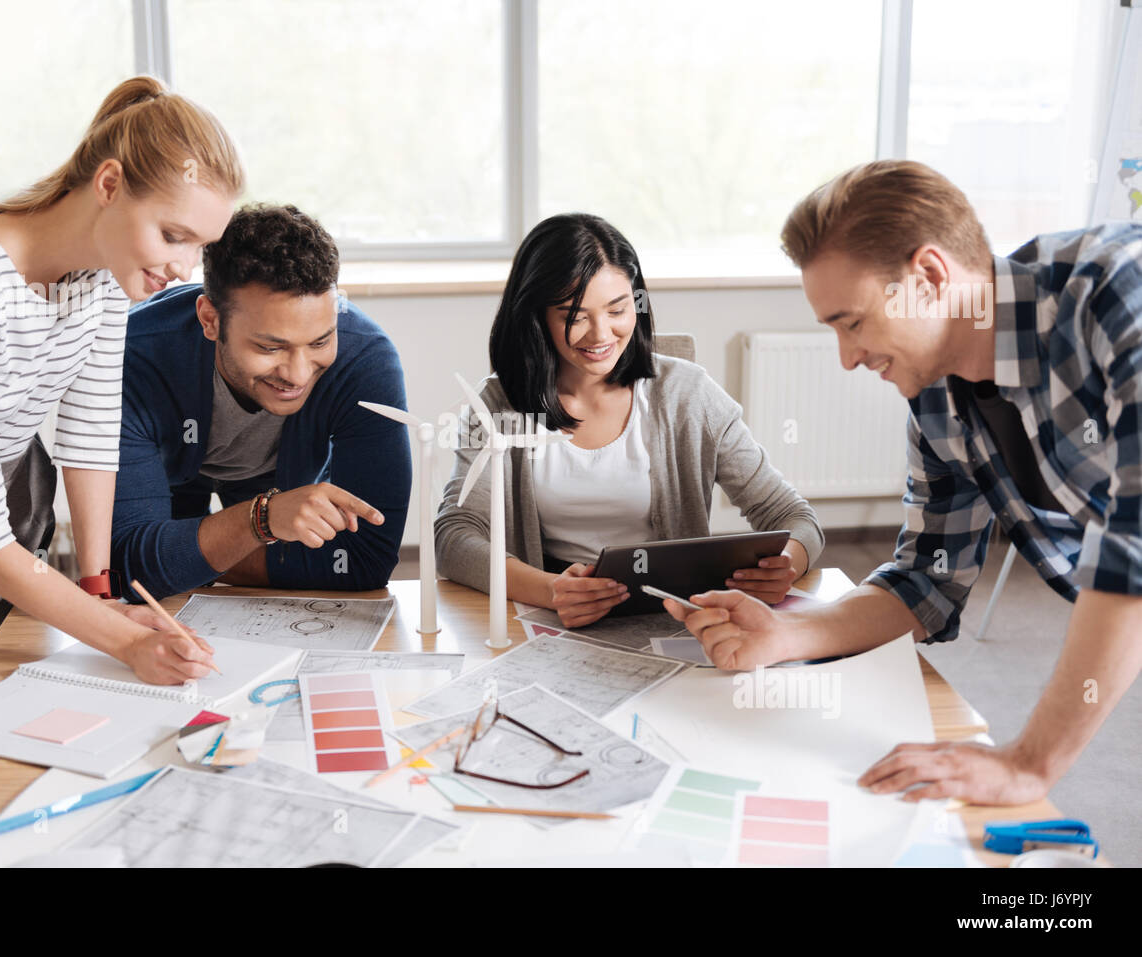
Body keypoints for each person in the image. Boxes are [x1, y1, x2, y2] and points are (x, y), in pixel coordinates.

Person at [665, 159, 1142, 805]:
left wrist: (1028, 763)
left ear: (928, 276)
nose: (847, 357)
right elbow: (926, 583)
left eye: (852, 321)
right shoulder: (937, 400)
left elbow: (1133, 547)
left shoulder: (1118, 291)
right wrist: (790, 634)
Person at [0, 76, 243, 744]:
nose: (184, 266)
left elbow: (88, 436)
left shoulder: (113, 273)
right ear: (109, 185)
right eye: (174, 235)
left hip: (11, 512)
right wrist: (122, 640)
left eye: (199, 246)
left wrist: (97, 589)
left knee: (54, 733)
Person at [435, 213, 823, 628]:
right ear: (536, 317)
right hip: (554, 617)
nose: (601, 334)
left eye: (617, 310)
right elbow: (455, 536)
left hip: (673, 617)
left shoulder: (688, 394)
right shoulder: (497, 406)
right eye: (575, 316)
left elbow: (794, 517)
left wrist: (787, 562)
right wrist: (550, 590)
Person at [109, 203, 410, 599]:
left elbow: (363, 560)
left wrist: (183, 556)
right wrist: (260, 521)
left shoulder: (365, 361)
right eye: (270, 347)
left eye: (320, 341)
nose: (298, 374)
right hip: (171, 477)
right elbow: (129, 568)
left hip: (277, 485)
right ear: (210, 320)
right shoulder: (130, 359)